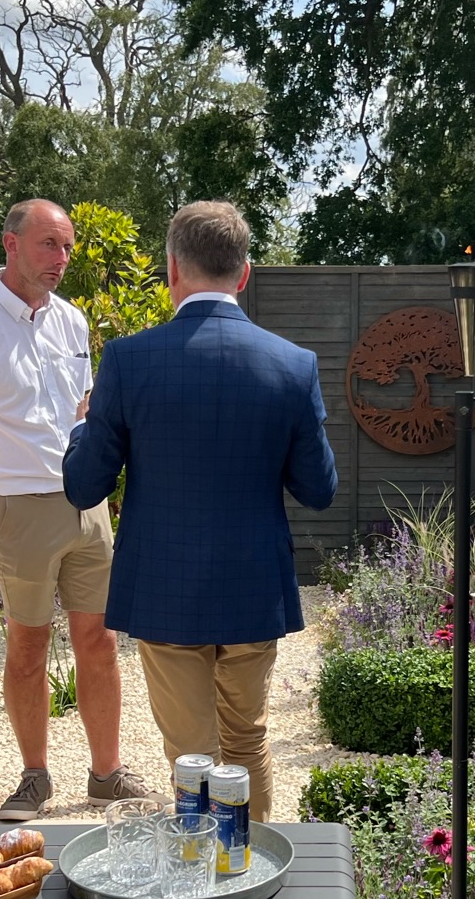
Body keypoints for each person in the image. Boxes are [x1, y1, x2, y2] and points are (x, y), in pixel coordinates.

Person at [62, 200, 337, 820]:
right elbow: (320, 489)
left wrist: (81, 432)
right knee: (248, 742)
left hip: (166, 590)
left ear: (171, 270)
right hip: (253, 586)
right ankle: (250, 874)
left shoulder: (129, 361)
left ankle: (202, 885)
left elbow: (84, 487)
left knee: (191, 752)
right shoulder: (293, 365)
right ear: (244, 274)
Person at [0, 199, 150, 821]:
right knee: (27, 647)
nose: (61, 259)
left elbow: (81, 407)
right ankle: (34, 777)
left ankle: (106, 773)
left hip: (86, 504)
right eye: (48, 245)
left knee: (101, 640)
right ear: (10, 245)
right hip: (18, 507)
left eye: (67, 247)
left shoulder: (72, 321)